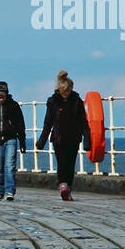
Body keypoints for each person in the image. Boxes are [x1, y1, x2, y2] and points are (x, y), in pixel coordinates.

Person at [36, 70, 92, 201]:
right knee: (62, 163)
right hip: (58, 138)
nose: (68, 92)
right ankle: (62, 185)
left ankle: (68, 189)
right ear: (60, 89)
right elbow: (48, 123)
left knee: (71, 165)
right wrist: (41, 141)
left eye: (70, 90)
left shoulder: (77, 101)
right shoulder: (53, 102)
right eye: (65, 90)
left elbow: (83, 122)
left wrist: (87, 141)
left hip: (74, 137)